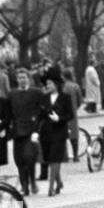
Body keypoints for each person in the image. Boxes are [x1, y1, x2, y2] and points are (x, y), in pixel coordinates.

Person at [5, 68, 46, 195]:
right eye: (20, 78)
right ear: (17, 80)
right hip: (17, 130)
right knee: (19, 160)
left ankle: (32, 181)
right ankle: (24, 185)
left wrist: (38, 129)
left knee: (29, 157)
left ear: (28, 79)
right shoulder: (12, 94)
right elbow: (8, 113)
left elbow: (42, 111)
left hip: (31, 130)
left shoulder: (36, 92)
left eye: (24, 77)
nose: (22, 80)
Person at [38, 66, 74, 196]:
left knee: (55, 158)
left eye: (50, 83)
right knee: (50, 158)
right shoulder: (44, 98)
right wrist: (36, 131)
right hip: (46, 132)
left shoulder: (65, 97)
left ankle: (51, 187)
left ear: (56, 84)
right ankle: (59, 182)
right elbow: (40, 116)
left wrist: (59, 118)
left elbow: (70, 115)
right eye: (46, 83)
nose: (47, 85)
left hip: (59, 132)